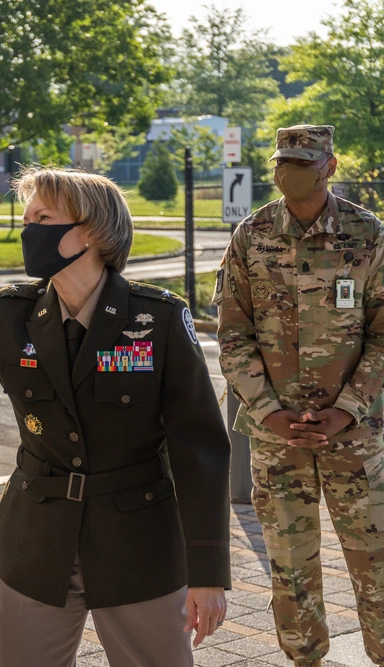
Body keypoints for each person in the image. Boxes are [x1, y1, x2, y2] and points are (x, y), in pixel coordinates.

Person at [0, 167, 231, 667]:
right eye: (25, 219)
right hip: (36, 544)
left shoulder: (156, 319)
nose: (29, 231)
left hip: (139, 544)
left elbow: (200, 450)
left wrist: (208, 572)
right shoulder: (11, 314)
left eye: (43, 218)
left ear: (92, 230)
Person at [216, 124, 384, 667]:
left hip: (355, 438)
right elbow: (233, 335)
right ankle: (304, 661)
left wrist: (346, 410)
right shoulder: (252, 234)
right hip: (277, 438)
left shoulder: (368, 235)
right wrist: (268, 412)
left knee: (376, 566)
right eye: (282, 161)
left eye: (303, 161)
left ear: (329, 166)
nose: (289, 171)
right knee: (290, 572)